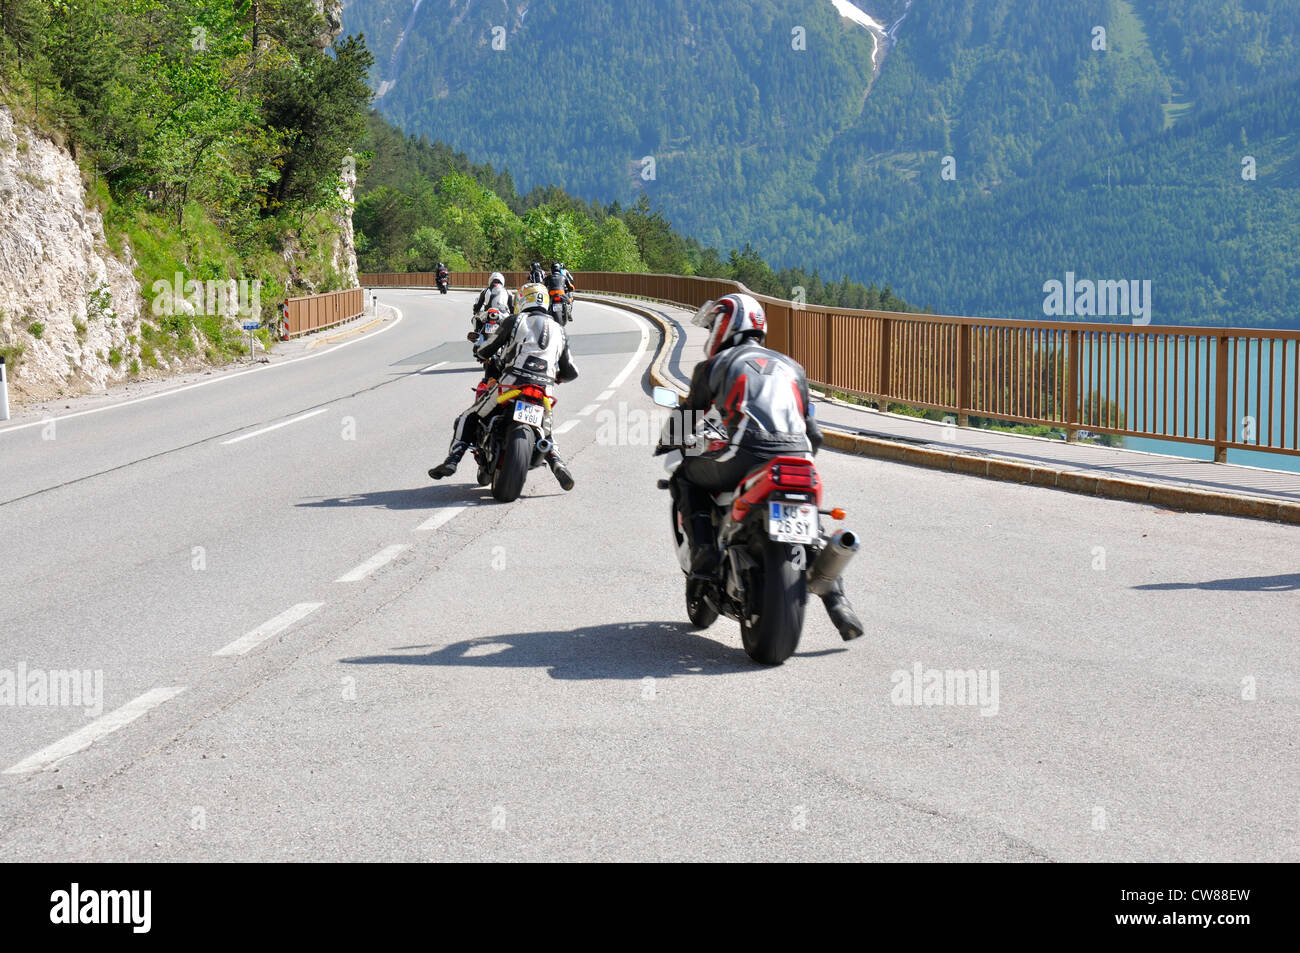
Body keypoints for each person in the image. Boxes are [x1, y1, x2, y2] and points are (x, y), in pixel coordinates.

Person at [672, 292, 863, 639]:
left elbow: (687, 416)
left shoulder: (716, 365)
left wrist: (667, 442)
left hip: (744, 454)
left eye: (714, 324)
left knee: (685, 477)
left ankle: (704, 554)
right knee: (813, 531)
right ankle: (838, 601)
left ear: (726, 326)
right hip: (798, 459)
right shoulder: (793, 367)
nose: (712, 331)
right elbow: (814, 434)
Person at [430, 283, 577, 491]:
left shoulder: (516, 320)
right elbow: (571, 371)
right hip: (544, 390)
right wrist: (557, 377)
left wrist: (481, 353)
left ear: (522, 300)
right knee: (546, 432)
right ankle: (558, 464)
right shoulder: (559, 330)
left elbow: (487, 348)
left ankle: (453, 459)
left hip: (513, 383)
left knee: (469, 416)